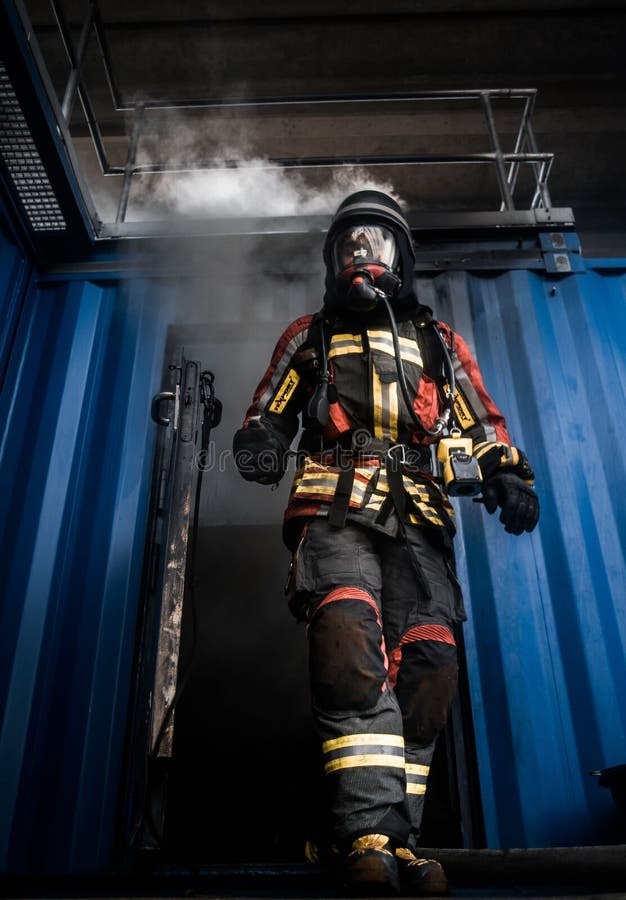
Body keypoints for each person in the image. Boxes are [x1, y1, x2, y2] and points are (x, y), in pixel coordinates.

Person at [232, 190, 539, 897]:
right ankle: (364, 836)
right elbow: (268, 409)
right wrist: (259, 441)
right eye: (347, 243)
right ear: (332, 261)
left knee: (431, 671)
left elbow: (480, 428)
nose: (358, 253)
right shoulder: (309, 334)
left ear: (400, 256)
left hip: (423, 520)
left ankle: (391, 840)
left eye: (373, 240)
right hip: (336, 507)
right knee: (347, 644)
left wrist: (508, 475)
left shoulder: (438, 341)